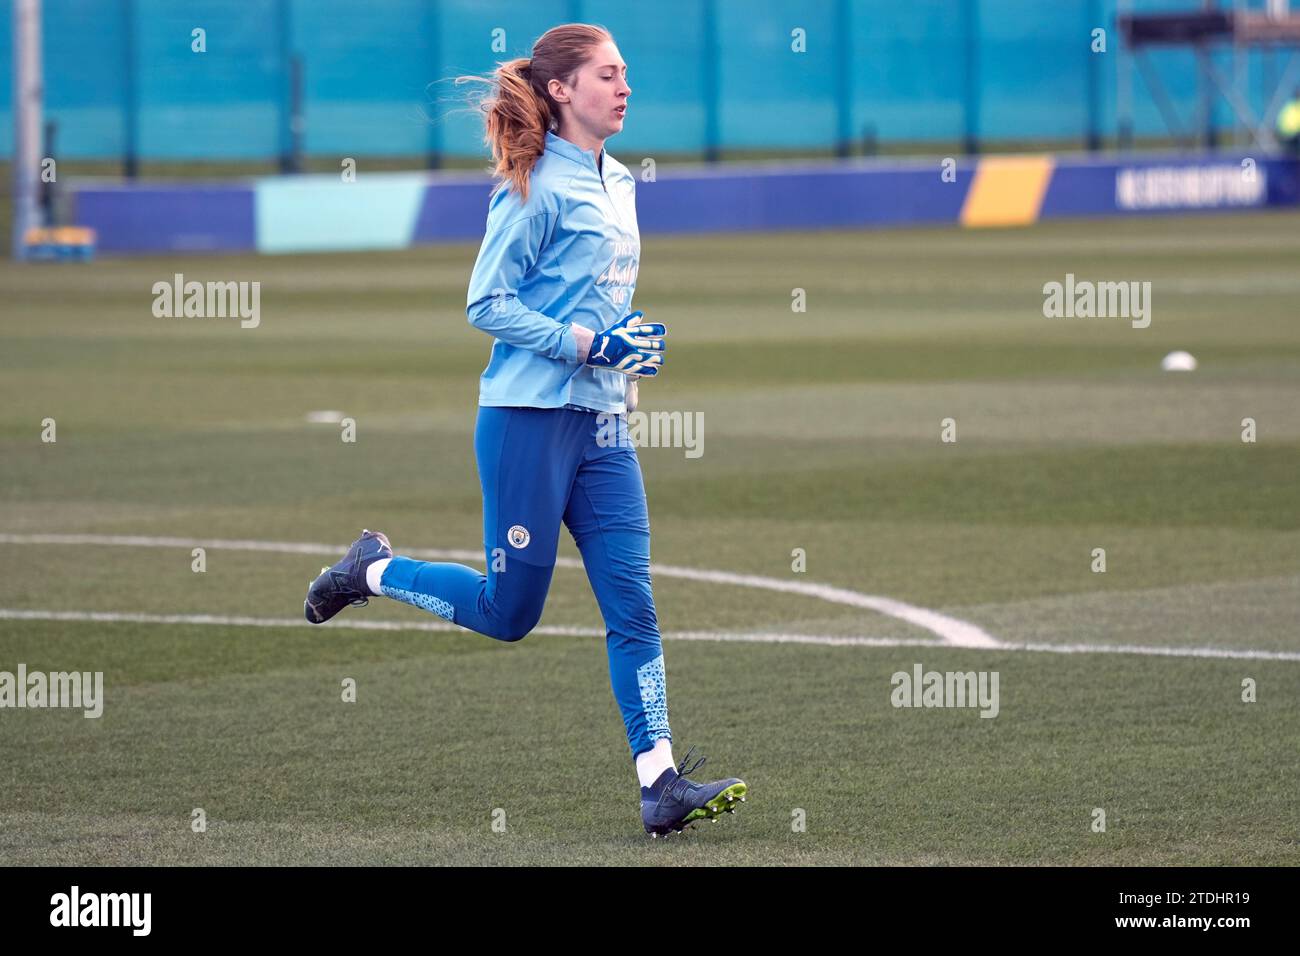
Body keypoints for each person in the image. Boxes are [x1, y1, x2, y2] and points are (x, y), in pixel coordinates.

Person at [303, 23, 746, 838]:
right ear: (561, 91)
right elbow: (486, 304)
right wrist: (586, 343)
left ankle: (660, 783)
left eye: (626, 74)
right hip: (526, 421)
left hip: (603, 426)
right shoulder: (534, 185)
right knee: (511, 613)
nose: (625, 88)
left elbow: (595, 302)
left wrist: (625, 351)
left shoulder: (622, 182)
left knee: (634, 607)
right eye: (608, 75)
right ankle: (370, 571)